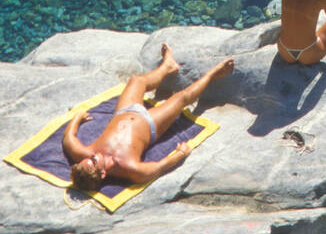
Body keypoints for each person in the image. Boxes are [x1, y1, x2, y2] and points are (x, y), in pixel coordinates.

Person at [62, 44, 234, 191]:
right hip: (150, 124)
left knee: (137, 80)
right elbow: (158, 168)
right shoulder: (130, 168)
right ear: (103, 173)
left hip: (123, 112)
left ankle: (167, 66)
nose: (90, 157)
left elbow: (68, 139)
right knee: (180, 98)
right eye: (93, 161)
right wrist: (180, 154)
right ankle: (214, 74)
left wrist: (77, 118)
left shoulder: (84, 154)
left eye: (86, 160)